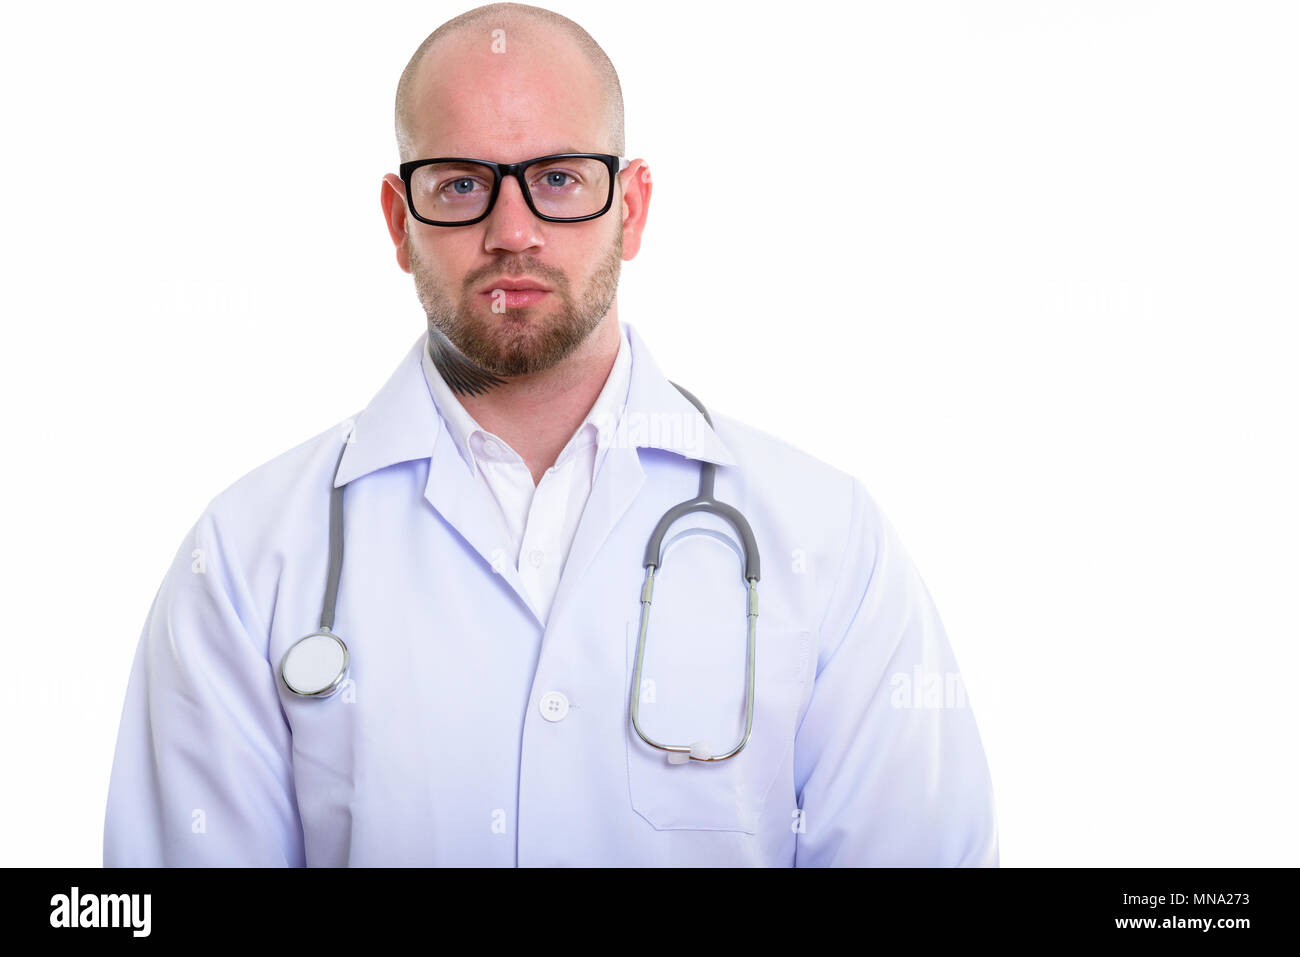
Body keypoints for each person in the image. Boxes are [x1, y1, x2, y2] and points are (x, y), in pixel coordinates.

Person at [103, 1, 998, 867]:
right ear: (397, 222)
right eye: (460, 184)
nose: (513, 231)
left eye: (560, 178)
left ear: (633, 207)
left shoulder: (827, 540)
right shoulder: (246, 557)